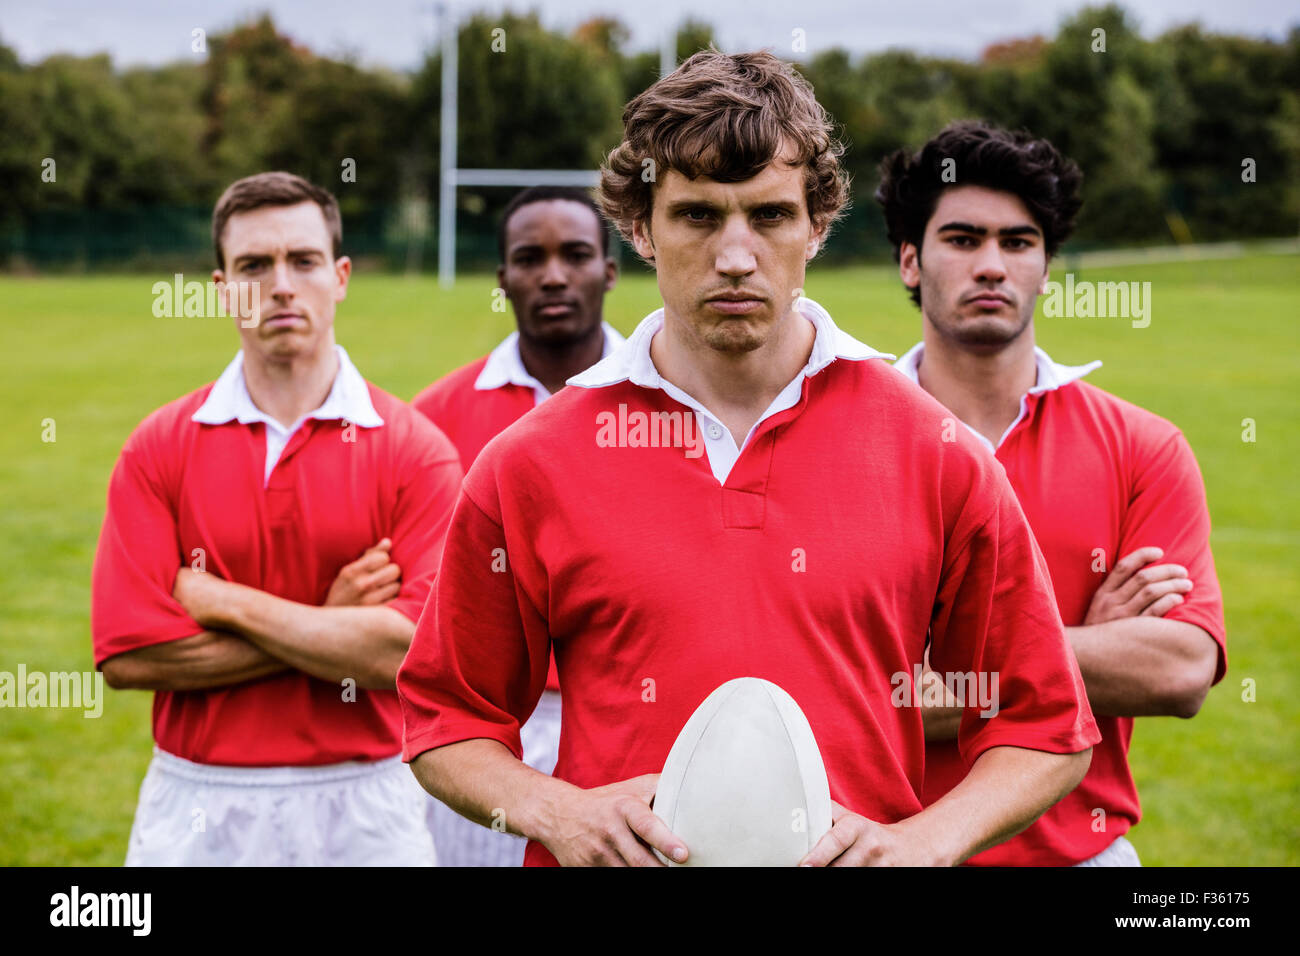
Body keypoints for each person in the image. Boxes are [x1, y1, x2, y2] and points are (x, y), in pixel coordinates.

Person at [397, 50, 1099, 867]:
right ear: (640, 228)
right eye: (698, 215)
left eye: (768, 216)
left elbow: (1046, 725)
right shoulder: (531, 461)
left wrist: (925, 842)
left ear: (816, 227)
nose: (735, 256)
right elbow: (447, 719)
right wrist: (552, 809)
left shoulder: (937, 451)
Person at [876, 121, 1226, 866]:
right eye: (963, 240)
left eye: (1019, 241)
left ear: (1046, 265)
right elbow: (842, 700)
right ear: (911, 261)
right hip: (889, 852)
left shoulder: (1142, 445)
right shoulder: (843, 438)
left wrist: (947, 676)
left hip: (1082, 857)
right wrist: (1083, 652)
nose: (993, 265)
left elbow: (1182, 670)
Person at [91, 171, 463, 866]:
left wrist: (223, 601)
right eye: (254, 266)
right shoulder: (158, 446)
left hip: (367, 804)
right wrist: (329, 620)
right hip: (199, 799)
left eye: (304, 260)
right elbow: (129, 656)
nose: (282, 284)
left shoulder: (417, 451)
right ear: (221, 288)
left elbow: (408, 657)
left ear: (341, 276)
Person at [410, 185, 623, 865]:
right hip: (482, 732)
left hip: (620, 715)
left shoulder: (673, 404)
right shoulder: (434, 416)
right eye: (530, 257)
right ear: (502, 279)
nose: (553, 274)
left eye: (576, 255)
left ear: (610, 271)